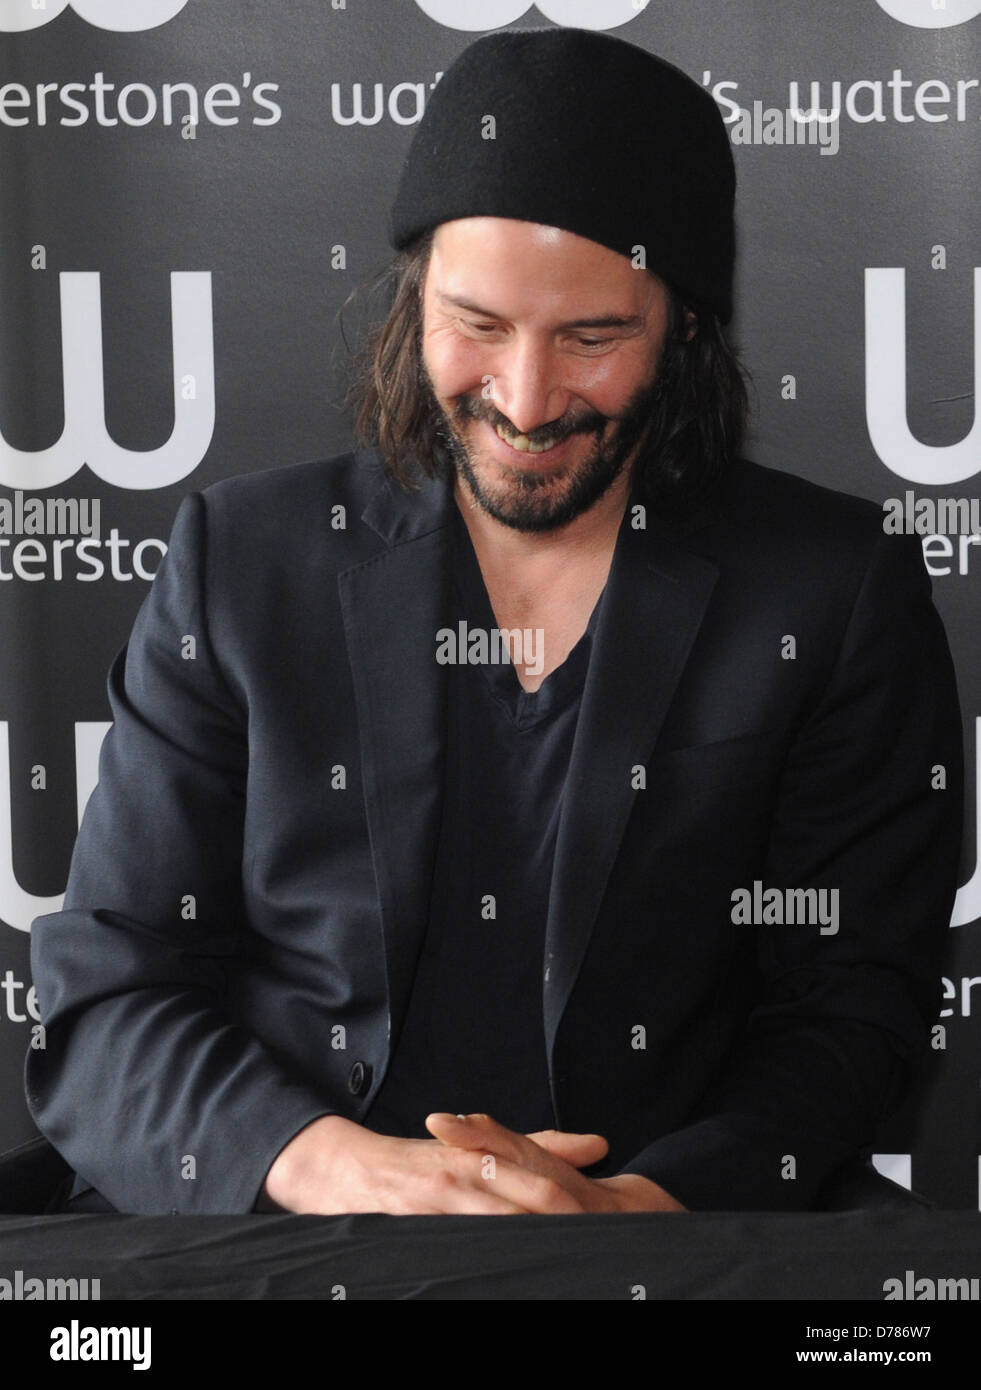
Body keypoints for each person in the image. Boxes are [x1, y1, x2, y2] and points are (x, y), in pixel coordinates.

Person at [26, 28, 962, 1217]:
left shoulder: (831, 591)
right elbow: (111, 990)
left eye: (593, 338)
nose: (524, 402)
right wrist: (344, 1167)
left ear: (683, 331)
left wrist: (631, 1206)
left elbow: (854, 1011)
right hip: (285, 1234)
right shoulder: (243, 562)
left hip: (667, 1247)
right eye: (478, 324)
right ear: (411, 304)